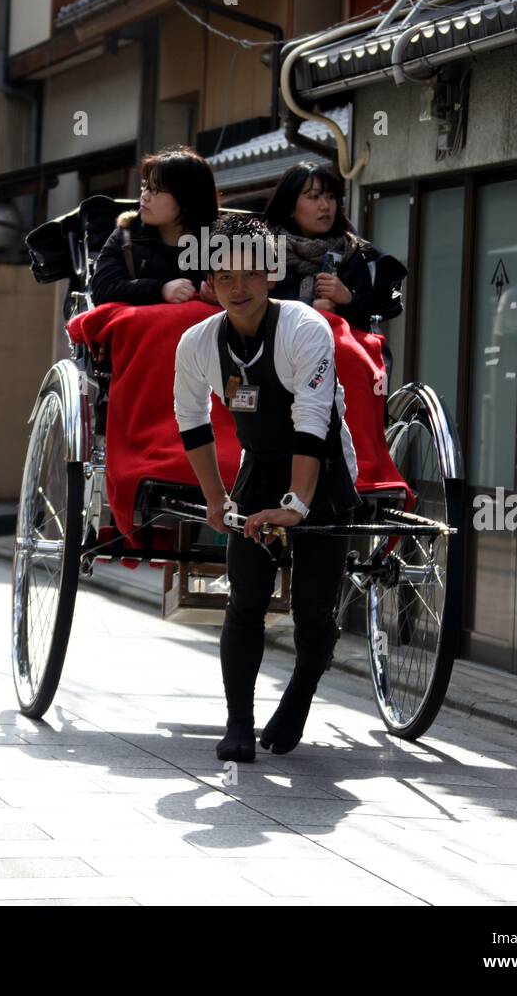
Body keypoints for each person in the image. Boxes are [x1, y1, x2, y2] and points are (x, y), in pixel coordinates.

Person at [173, 215, 361, 763]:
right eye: (225, 275)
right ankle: (237, 723)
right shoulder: (198, 343)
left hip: (321, 465)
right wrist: (214, 499)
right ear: (210, 281)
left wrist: (298, 506)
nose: (238, 287)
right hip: (259, 465)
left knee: (313, 607)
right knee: (246, 597)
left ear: (272, 275)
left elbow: (312, 417)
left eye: (251, 273)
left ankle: (299, 694)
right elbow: (192, 419)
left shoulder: (305, 328)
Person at [264, 161, 407, 333]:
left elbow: (387, 308)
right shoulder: (264, 254)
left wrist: (348, 298)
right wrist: (306, 307)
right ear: (290, 207)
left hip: (343, 356)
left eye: (331, 196)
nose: (325, 206)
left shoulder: (357, 252)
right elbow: (248, 310)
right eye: (314, 197)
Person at [90, 146, 219, 306]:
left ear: (187, 197)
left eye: (155, 190)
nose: (144, 196)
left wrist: (223, 298)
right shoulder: (126, 237)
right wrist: (160, 289)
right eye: (145, 187)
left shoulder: (221, 242)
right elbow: (102, 290)